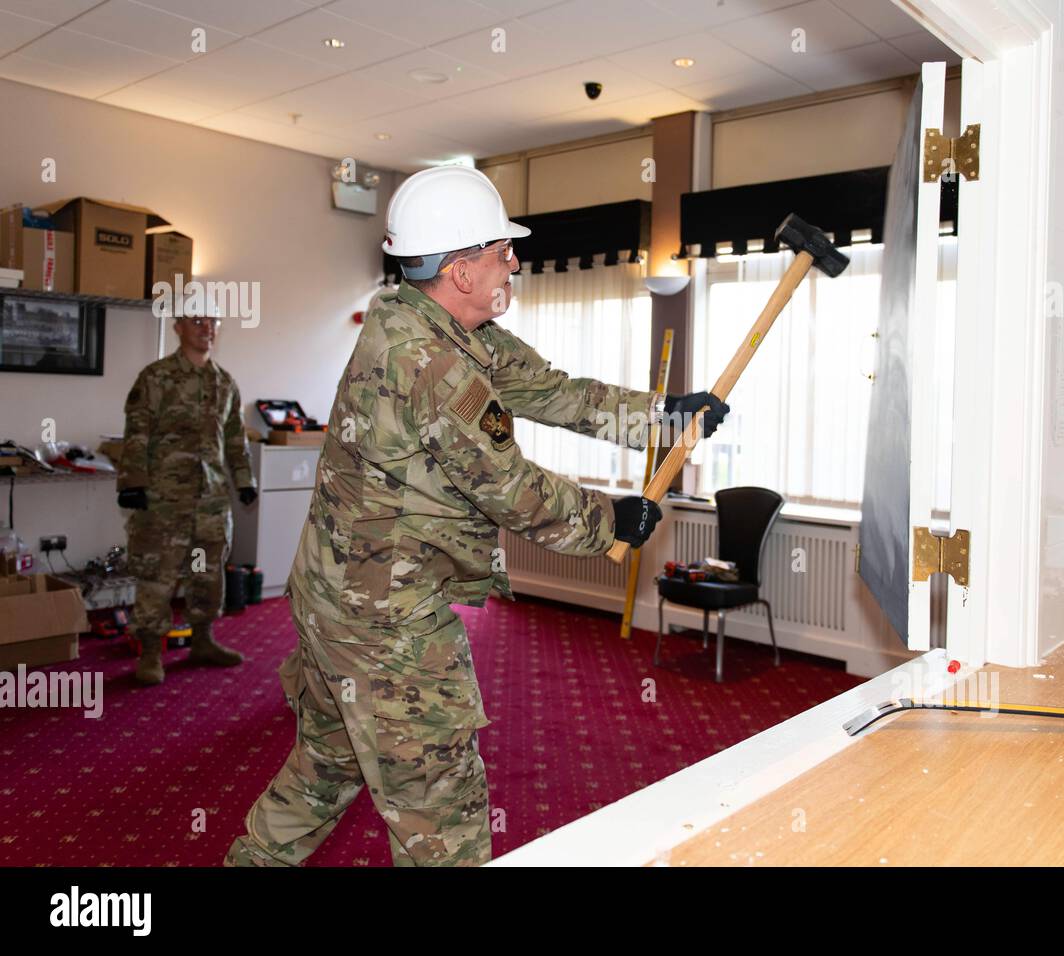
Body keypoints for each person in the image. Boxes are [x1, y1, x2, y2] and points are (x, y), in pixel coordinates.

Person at [226, 165, 727, 867]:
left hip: (338, 602)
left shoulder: (439, 325)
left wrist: (662, 415)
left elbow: (552, 391)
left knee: (327, 771)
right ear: (461, 270)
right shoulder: (430, 362)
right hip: (384, 626)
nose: (513, 262)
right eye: (501, 250)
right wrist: (609, 519)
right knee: (444, 822)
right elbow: (510, 490)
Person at [117, 310, 257, 685]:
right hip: (164, 501)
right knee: (157, 575)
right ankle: (149, 651)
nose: (206, 328)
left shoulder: (224, 382)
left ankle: (203, 639)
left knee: (204, 572)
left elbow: (234, 440)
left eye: (212, 322)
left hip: (209, 502)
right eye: (197, 321)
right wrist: (132, 482)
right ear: (178, 327)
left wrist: (244, 479)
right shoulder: (156, 377)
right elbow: (136, 432)